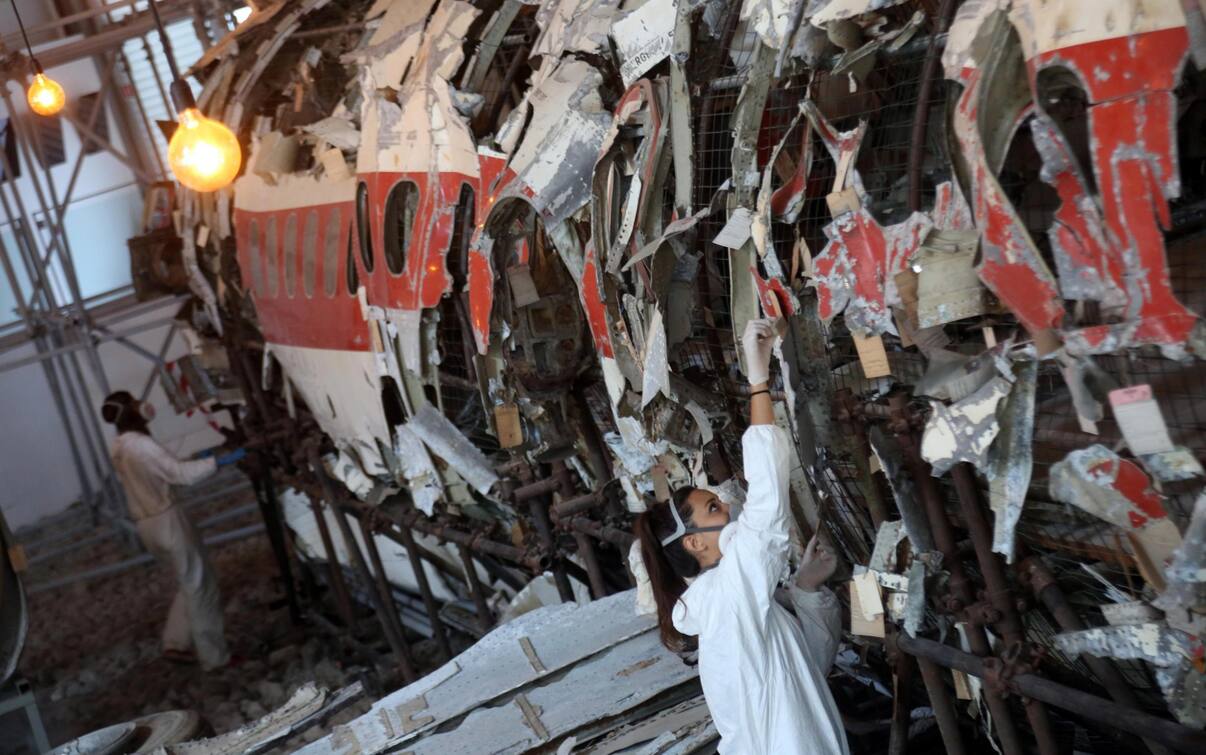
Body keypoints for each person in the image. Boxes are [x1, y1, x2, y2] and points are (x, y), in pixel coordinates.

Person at [633, 319, 848, 755]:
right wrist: (757, 380)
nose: (728, 508)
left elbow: (807, 667)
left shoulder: (731, 606)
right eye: (713, 508)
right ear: (694, 541)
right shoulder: (727, 595)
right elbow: (768, 512)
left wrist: (806, 590)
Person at [101, 390, 244, 670]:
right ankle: (215, 659)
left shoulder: (118, 446)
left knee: (186, 581)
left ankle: (175, 643)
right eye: (134, 402)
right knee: (200, 586)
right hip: (168, 520)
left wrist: (196, 457)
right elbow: (180, 475)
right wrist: (219, 461)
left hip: (145, 526)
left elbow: (159, 469)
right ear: (133, 411)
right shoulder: (140, 443)